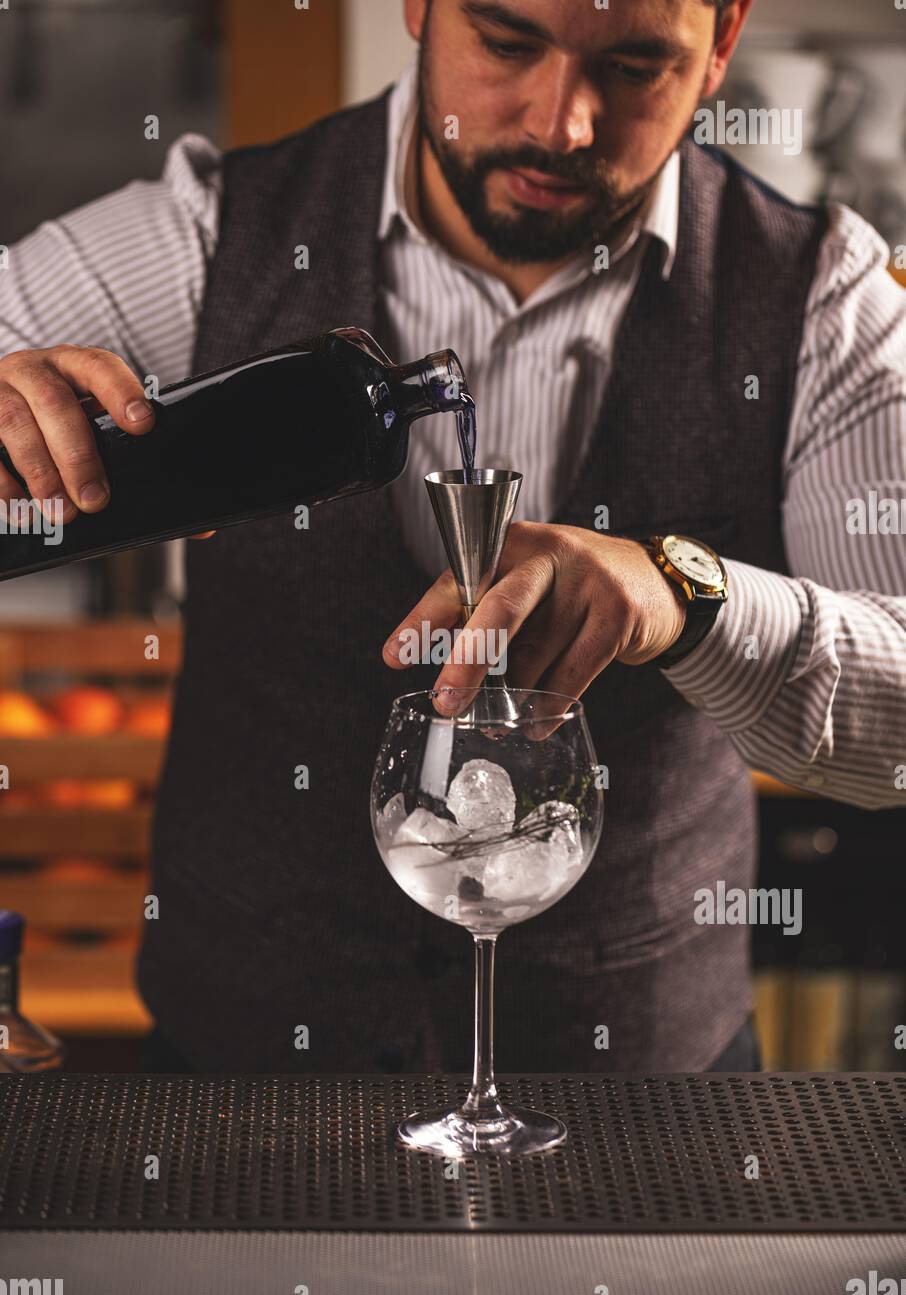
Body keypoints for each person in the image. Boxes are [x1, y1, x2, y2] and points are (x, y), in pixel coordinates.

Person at [0, 0, 904, 1075]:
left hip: (641, 1098)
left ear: (722, 46)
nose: (562, 124)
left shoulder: (820, 294)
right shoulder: (207, 230)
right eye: (511, 44)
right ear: (421, 7)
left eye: (633, 64)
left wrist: (684, 598)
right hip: (246, 1087)